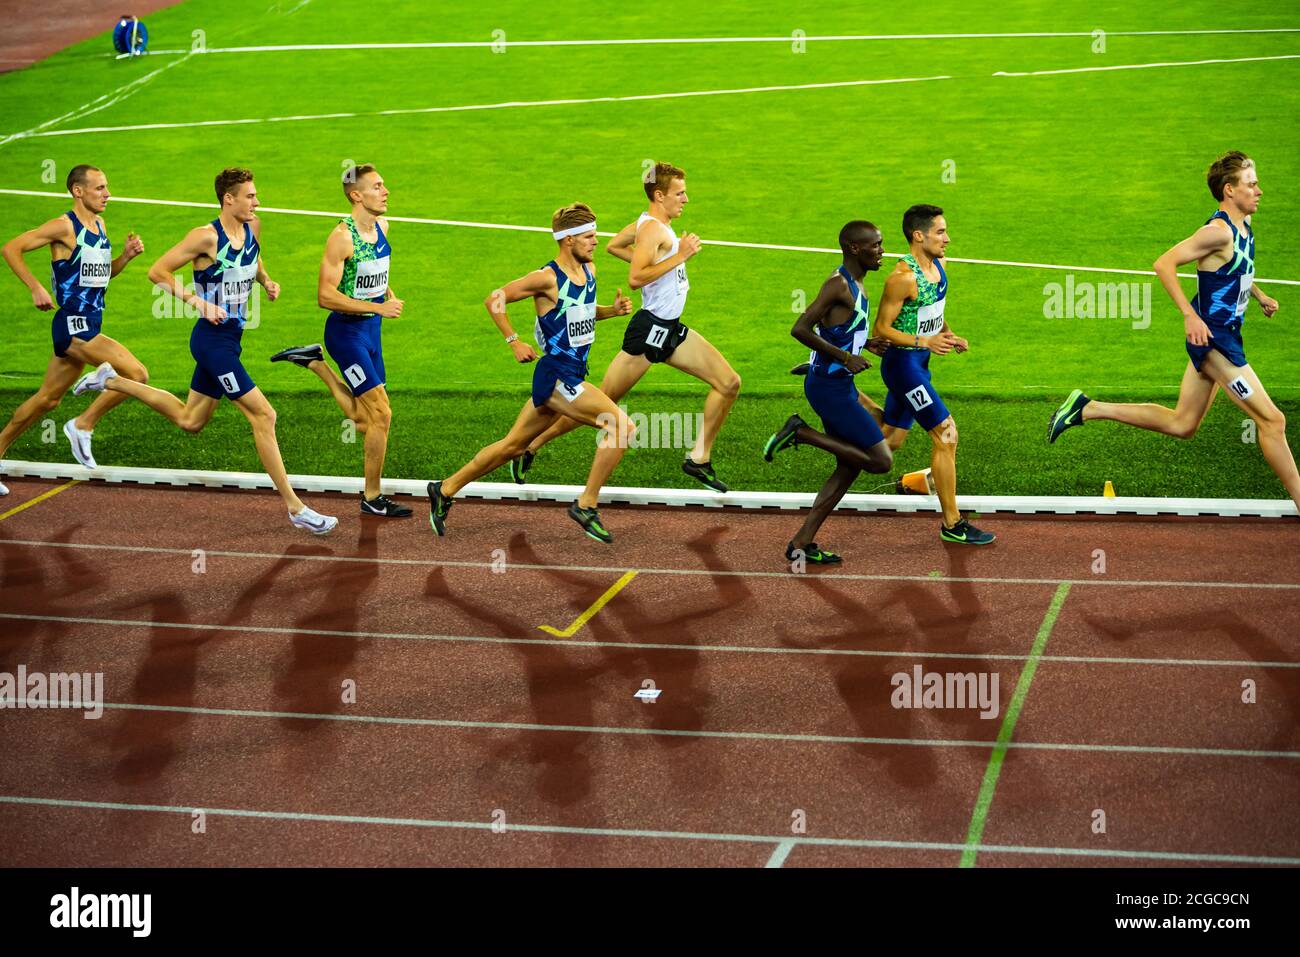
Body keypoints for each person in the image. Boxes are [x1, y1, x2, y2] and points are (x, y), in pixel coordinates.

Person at [73, 167, 337, 534]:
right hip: (211, 342)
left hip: (231, 339)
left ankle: (113, 381)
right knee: (264, 416)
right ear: (229, 199)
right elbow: (158, 272)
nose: (257, 201)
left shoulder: (253, 227)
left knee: (190, 421)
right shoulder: (205, 237)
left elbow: (254, 257)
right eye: (250, 196)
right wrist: (198, 302)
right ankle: (295, 508)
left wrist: (266, 280)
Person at [1048, 151, 1297, 514]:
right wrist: (1188, 317)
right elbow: (1163, 263)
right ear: (1230, 190)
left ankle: (1087, 408)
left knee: (1183, 424)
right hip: (1213, 341)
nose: (1259, 190)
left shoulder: (1244, 228)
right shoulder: (1217, 232)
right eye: (1251, 184)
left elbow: (1234, 271)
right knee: (1273, 420)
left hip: (1225, 335)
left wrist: (1259, 295)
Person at [507, 162, 741, 493]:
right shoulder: (653, 230)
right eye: (680, 193)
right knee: (601, 401)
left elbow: (615, 246)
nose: (686, 199)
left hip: (669, 328)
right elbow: (635, 279)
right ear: (659, 195)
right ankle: (531, 444)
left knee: (729, 382)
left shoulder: (648, 223)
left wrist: (658, 261)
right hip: (649, 331)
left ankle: (698, 459)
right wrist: (680, 257)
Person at [426, 203, 635, 542]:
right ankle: (586, 505)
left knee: (512, 445)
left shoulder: (590, 270)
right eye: (589, 237)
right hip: (556, 375)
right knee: (621, 426)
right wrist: (514, 340)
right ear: (568, 240)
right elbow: (494, 299)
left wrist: (610, 311)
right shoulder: (546, 278)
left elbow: (578, 313)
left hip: (574, 371)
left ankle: (445, 489)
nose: (596, 242)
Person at [270, 164, 410, 517]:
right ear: (356, 195)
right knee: (382, 414)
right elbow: (325, 296)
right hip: (346, 334)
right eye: (378, 186)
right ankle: (372, 498)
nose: (386, 191)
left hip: (370, 332)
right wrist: (377, 308)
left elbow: (377, 271)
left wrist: (386, 294)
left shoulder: (382, 226)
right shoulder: (342, 237)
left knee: (363, 419)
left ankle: (314, 362)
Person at [0, 164, 148, 490]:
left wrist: (124, 257)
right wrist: (36, 287)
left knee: (47, 400)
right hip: (72, 325)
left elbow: (100, 277)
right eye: (99, 188)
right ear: (78, 191)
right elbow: (11, 248)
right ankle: (82, 424)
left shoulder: (99, 224)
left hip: (91, 321)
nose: (107, 194)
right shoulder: (63, 226)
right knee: (136, 374)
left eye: (106, 187)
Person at [763, 221, 894, 564]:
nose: (882, 251)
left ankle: (801, 543)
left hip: (838, 385)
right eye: (876, 246)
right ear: (854, 248)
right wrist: (845, 357)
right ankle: (801, 432)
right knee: (881, 461)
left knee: (849, 467)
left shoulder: (858, 283)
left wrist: (866, 344)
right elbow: (800, 328)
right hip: (828, 389)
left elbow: (838, 330)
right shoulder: (838, 284)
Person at [872, 204, 994, 545]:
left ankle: (840, 404)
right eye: (940, 232)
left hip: (919, 363)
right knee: (946, 434)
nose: (948, 239)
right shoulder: (902, 278)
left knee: (890, 442)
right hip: (902, 366)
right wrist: (924, 340)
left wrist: (949, 334)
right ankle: (952, 524)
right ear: (918, 235)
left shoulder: (938, 266)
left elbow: (934, 311)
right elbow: (881, 328)